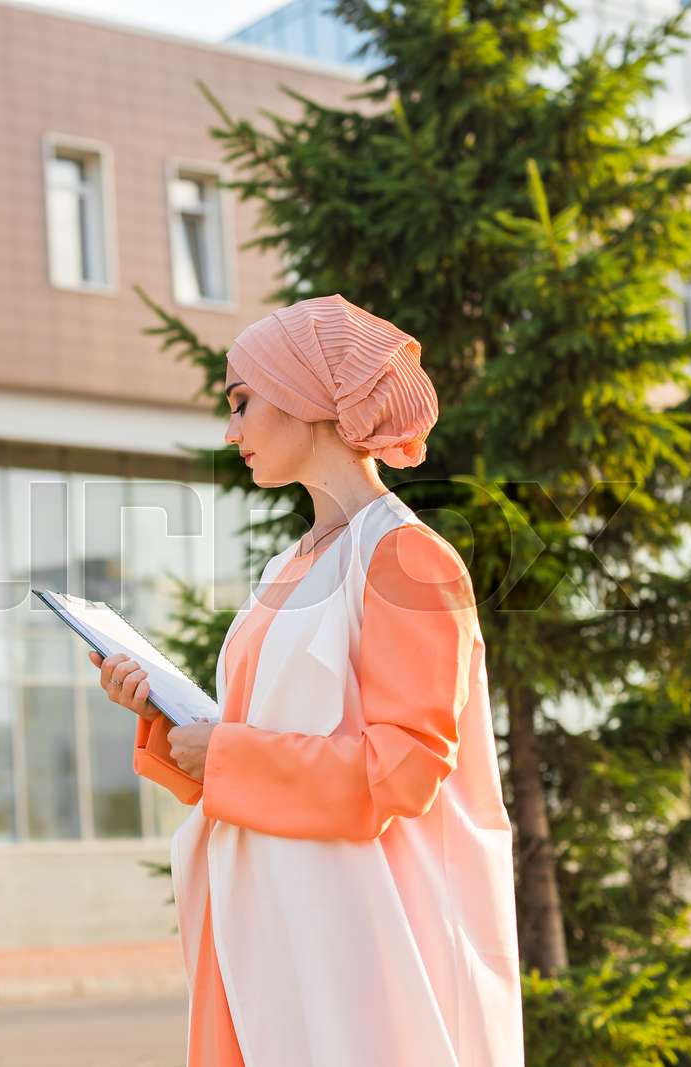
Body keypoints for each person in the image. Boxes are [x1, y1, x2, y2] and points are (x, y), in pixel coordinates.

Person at [88, 294, 523, 1065]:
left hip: (357, 951)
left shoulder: (407, 558)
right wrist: (169, 722)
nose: (230, 431)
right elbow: (261, 746)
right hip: (266, 929)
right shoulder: (289, 568)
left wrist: (222, 754)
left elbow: (402, 771)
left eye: (243, 402)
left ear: (304, 398)